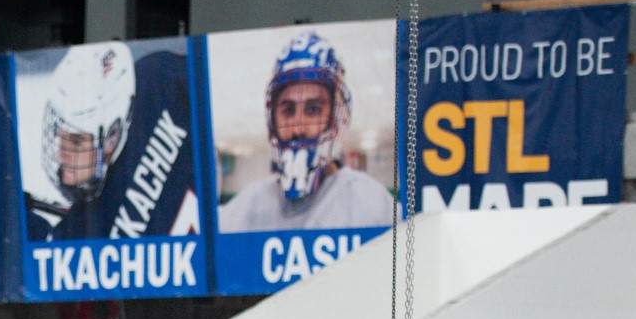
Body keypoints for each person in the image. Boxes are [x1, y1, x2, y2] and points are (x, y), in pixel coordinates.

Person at [218, 30, 394, 233]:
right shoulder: (241, 213)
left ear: (336, 117)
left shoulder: (375, 208)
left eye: (313, 110)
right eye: (288, 110)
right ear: (273, 117)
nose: (298, 128)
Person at [22, 40, 198, 240]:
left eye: (76, 141)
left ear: (112, 137)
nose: (60, 153)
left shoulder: (87, 227)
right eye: (59, 135)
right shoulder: (157, 80)